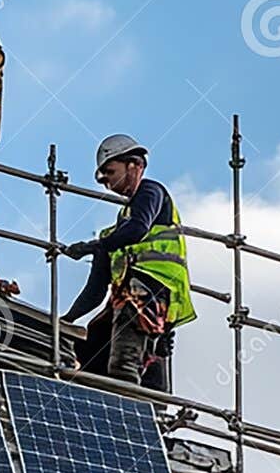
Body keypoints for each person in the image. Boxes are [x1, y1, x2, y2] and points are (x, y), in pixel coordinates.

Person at [63, 134, 195, 390]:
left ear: (134, 165)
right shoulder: (114, 233)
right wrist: (65, 321)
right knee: (92, 352)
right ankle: (118, 408)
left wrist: (91, 247)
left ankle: (133, 413)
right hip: (126, 301)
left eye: (110, 173)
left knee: (124, 366)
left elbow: (137, 229)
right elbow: (95, 290)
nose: (107, 183)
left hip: (148, 296)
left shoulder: (151, 192)